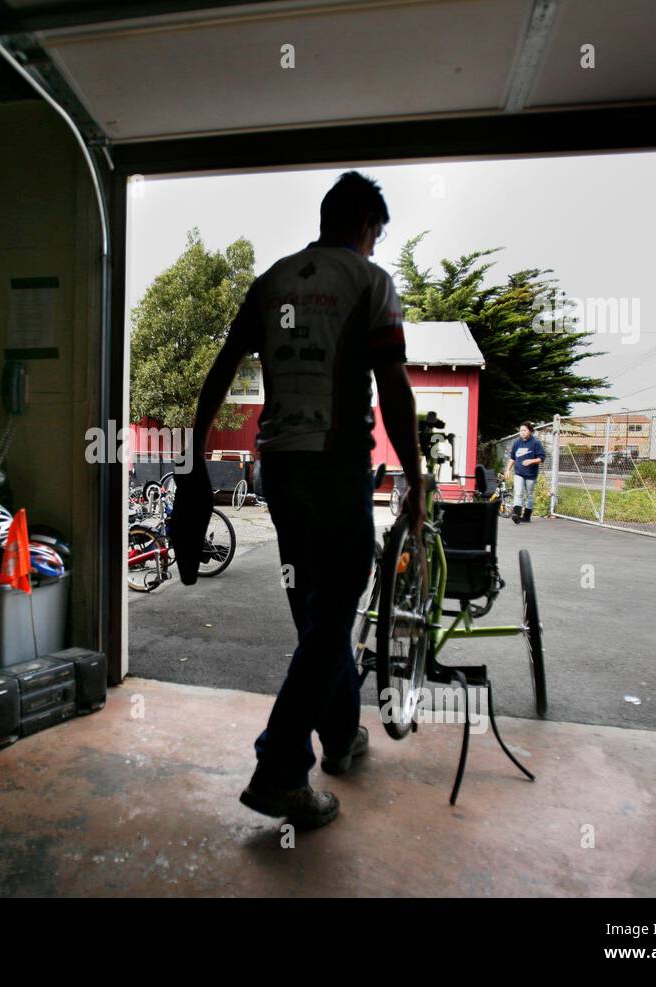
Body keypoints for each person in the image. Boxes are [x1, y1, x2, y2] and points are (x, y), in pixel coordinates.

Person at [182, 171, 424, 830]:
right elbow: (394, 388)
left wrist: (194, 455)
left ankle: (341, 738)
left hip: (278, 468)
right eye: (376, 233)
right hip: (336, 462)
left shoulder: (274, 280)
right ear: (366, 226)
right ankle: (281, 766)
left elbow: (223, 365)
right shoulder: (370, 282)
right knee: (335, 606)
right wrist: (418, 477)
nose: (374, 245)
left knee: (320, 614)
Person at [506, 422, 545, 524]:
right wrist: (508, 470)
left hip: (531, 474)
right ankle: (516, 514)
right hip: (518, 472)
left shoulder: (535, 443)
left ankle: (527, 516)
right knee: (518, 493)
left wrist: (531, 461)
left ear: (530, 431)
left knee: (529, 495)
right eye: (521, 430)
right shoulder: (517, 443)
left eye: (524, 430)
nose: (522, 433)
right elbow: (512, 458)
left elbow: (541, 458)